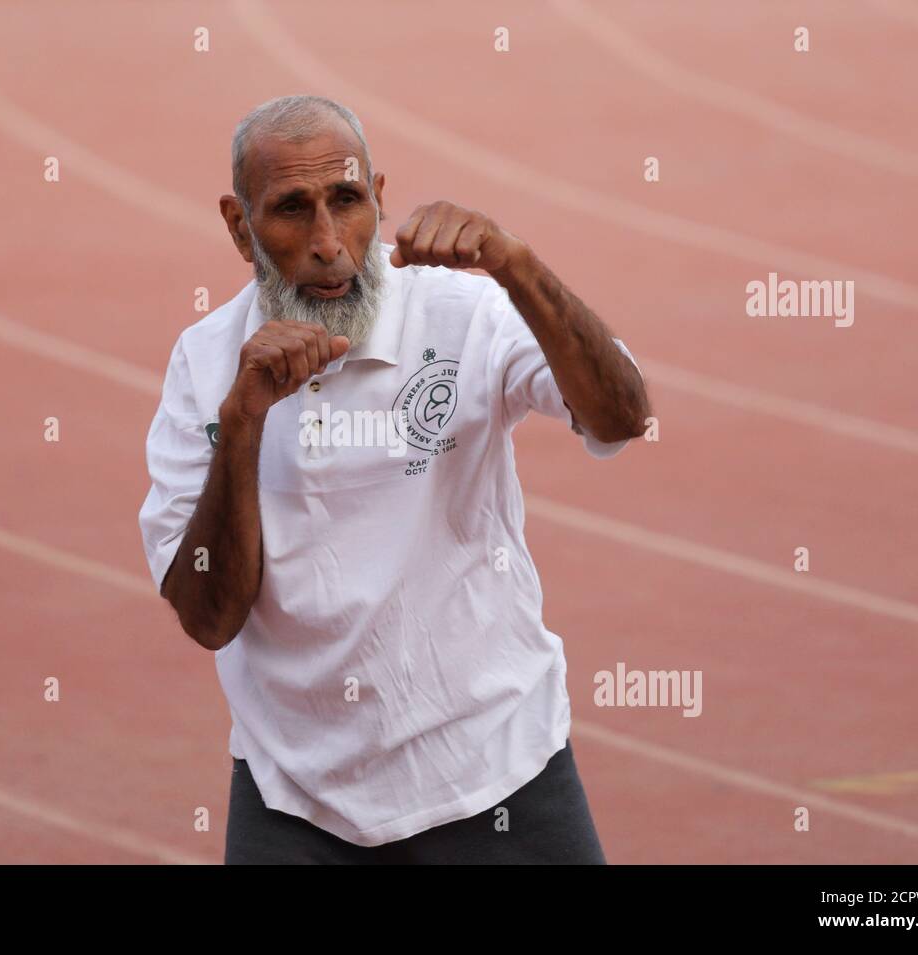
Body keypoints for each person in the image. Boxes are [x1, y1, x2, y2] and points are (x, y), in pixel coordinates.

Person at [139, 94, 650, 864]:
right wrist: (242, 422)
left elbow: (619, 417)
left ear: (379, 197)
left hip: (495, 775)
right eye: (289, 210)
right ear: (239, 227)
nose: (327, 244)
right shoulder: (207, 364)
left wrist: (519, 265)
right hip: (297, 798)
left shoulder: (464, 312)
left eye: (345, 201)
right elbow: (209, 616)